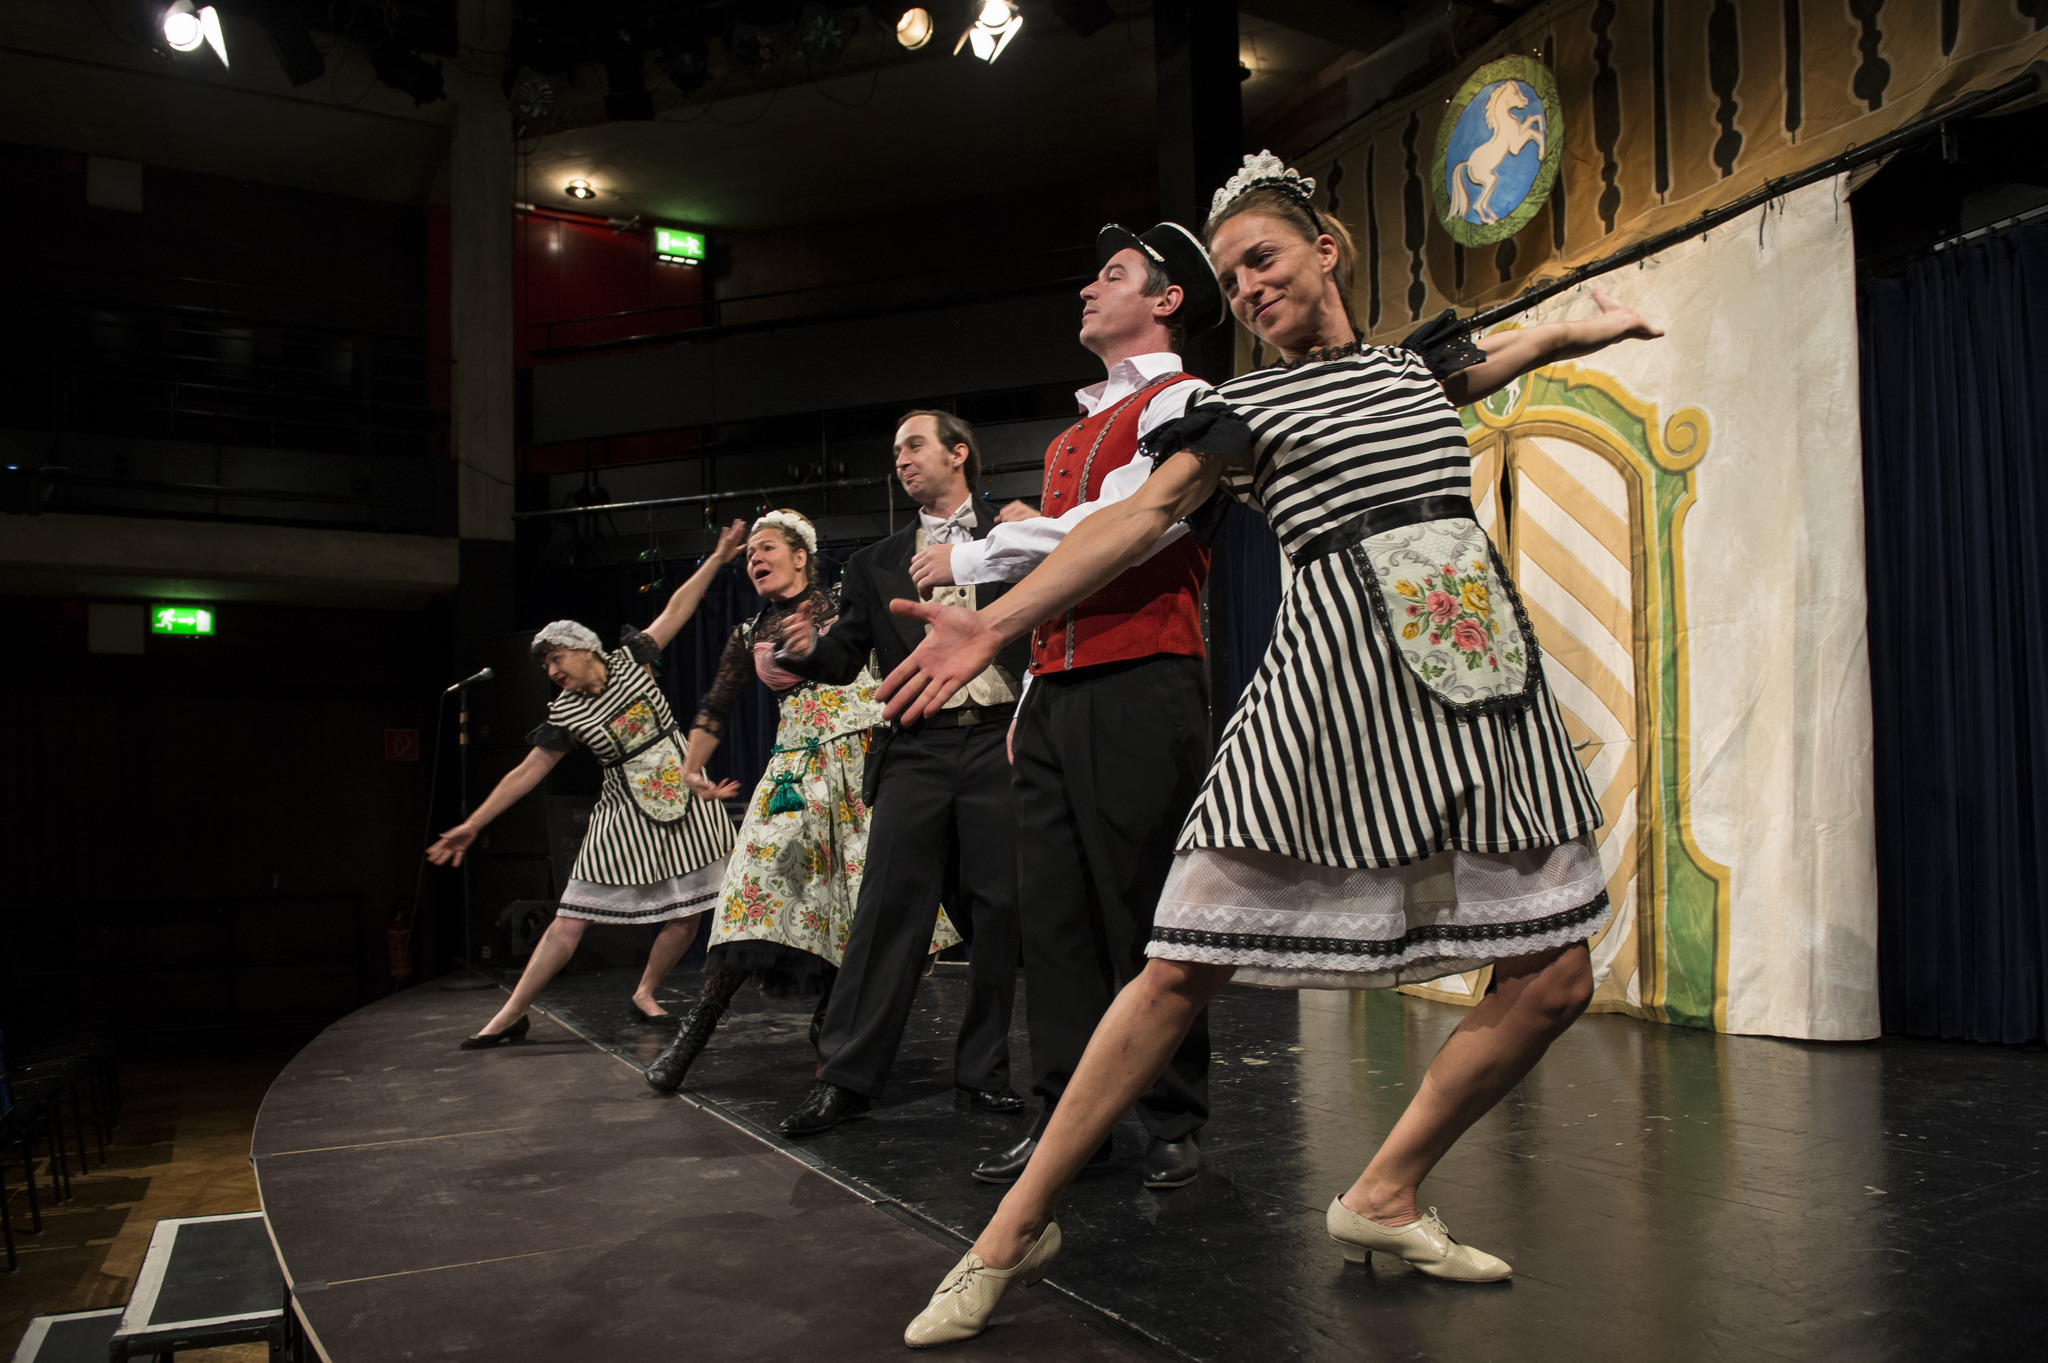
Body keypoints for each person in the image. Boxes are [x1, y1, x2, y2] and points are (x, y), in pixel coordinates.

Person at [882, 151, 1665, 1347]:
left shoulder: (1408, 369)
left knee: (1555, 975)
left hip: (1470, 676)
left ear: (1324, 251)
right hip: (1331, 685)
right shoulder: (1243, 411)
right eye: (1232, 276)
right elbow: (1141, 517)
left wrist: (1573, 330)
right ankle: (1012, 1229)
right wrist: (996, 616)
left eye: (1263, 259)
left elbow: (1486, 357)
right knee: (1179, 964)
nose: (1245, 287)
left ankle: (1383, 1189)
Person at [903, 221, 1227, 1192]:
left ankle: (1170, 1114)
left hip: (1140, 682)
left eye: (1114, 274)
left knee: (1144, 910)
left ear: (1165, 300)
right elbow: (1068, 542)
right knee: (1052, 921)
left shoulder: (1186, 400)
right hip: (1055, 693)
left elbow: (1122, 525)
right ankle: (1062, 1118)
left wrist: (981, 551)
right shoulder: (1065, 436)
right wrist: (1028, 701)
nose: (1089, 287)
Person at [770, 411, 1029, 1136]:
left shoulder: (1015, 532)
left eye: (913, 445)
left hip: (998, 743)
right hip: (916, 744)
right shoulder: (874, 561)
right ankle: (846, 1078)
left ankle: (982, 1075)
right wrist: (801, 654)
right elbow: (847, 652)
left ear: (959, 452)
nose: (901, 460)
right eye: (894, 452)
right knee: (887, 911)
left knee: (996, 912)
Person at [642, 509, 959, 1093]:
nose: (754, 559)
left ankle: (836, 1019)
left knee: (860, 905)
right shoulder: (748, 632)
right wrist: (690, 770)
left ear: (800, 554)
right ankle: (695, 1033)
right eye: (747, 555)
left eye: (765, 548)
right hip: (795, 770)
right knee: (751, 895)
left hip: (867, 761)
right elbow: (716, 706)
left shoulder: (848, 597)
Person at [427, 521, 750, 1049]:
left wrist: (716, 559)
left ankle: (646, 992)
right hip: (623, 810)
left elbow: (677, 609)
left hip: (687, 793)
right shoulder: (564, 711)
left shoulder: (631, 660)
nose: (551, 669)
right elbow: (525, 773)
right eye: (545, 664)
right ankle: (512, 1013)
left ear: (586, 649)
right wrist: (472, 823)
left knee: (690, 910)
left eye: (556, 657)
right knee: (570, 916)